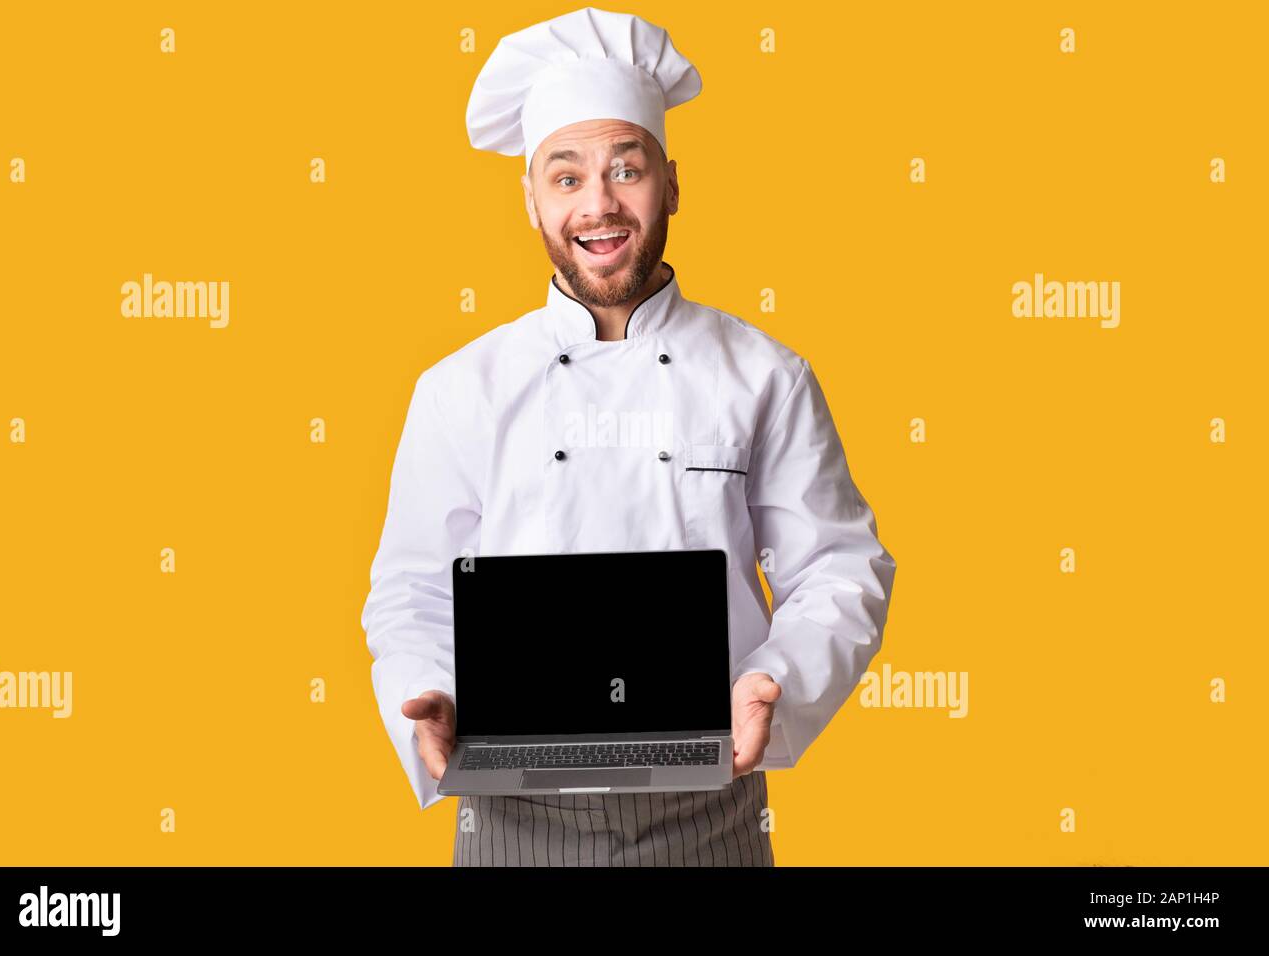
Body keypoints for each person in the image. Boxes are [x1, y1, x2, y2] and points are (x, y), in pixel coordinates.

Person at [360, 6, 897, 866]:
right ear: (531, 198)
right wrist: (428, 691)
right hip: (511, 822)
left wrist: (773, 684)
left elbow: (839, 564)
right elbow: (414, 589)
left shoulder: (765, 374)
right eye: (566, 177)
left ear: (672, 184)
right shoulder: (459, 389)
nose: (599, 205)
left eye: (626, 168)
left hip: (710, 818)